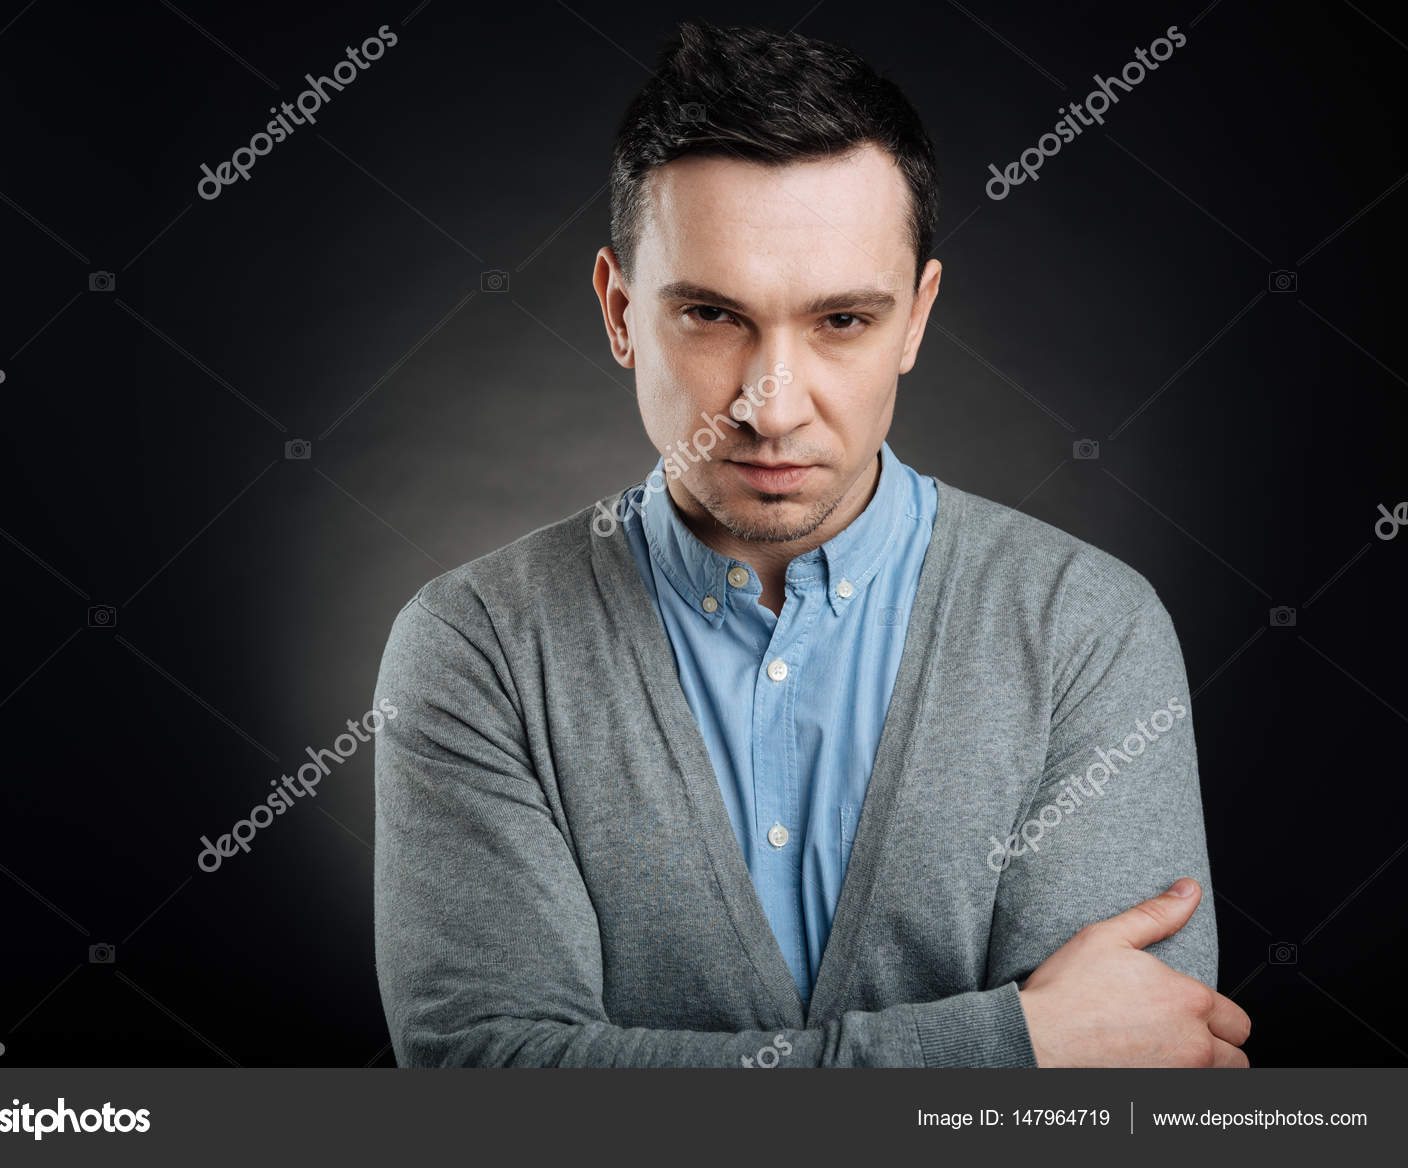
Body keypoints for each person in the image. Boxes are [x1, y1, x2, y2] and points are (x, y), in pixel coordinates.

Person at [372, 19, 1249, 1068]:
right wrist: (1007, 1046)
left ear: (915, 319)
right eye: (710, 314)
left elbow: (1130, 1089)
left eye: (841, 321)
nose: (771, 406)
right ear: (617, 311)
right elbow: (488, 1079)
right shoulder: (477, 647)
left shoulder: (1084, 629)